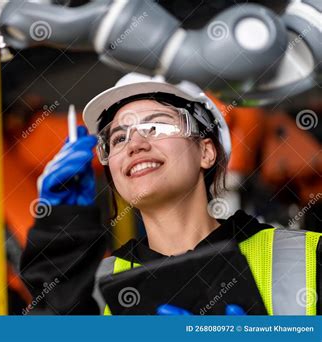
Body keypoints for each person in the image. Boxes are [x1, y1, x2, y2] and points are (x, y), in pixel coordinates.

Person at [20, 73, 322, 315]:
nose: (134, 144)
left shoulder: (308, 256)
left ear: (205, 152)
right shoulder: (93, 289)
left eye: (157, 127)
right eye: (119, 137)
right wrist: (60, 234)